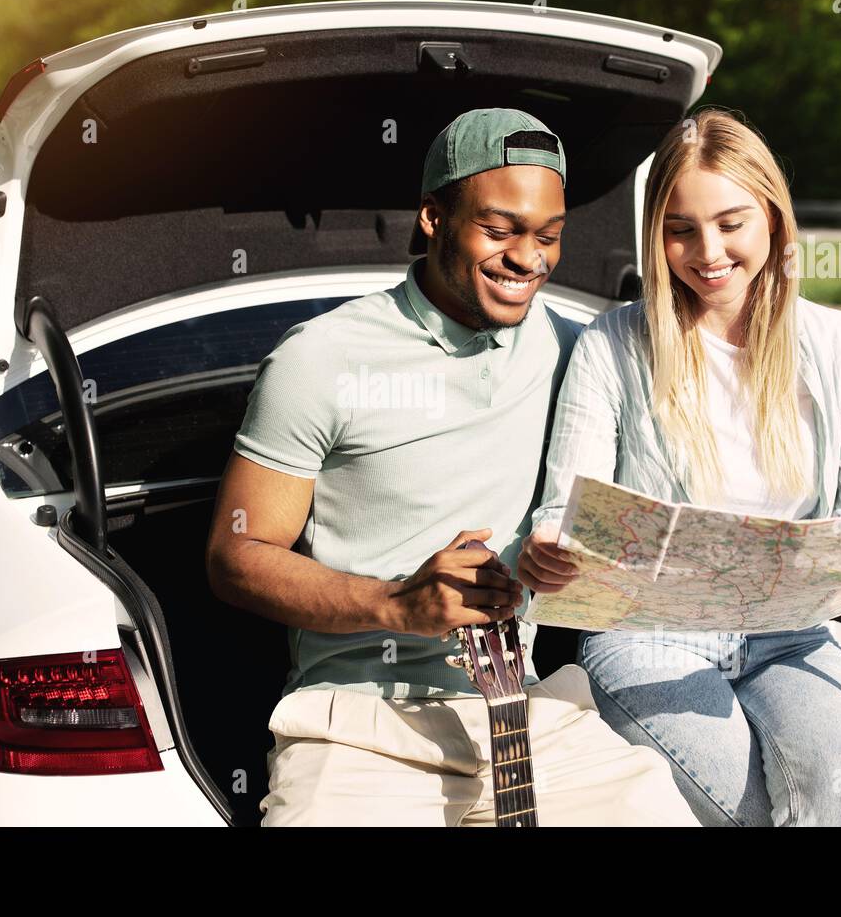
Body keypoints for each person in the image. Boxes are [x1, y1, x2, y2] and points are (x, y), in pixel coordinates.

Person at [206, 107, 698, 826]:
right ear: (434, 216)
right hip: (359, 728)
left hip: (531, 714)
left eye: (549, 236)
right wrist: (396, 604)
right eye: (499, 231)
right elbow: (234, 555)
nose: (529, 259)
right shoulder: (322, 357)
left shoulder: (578, 355)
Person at [517, 108, 841, 827]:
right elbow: (564, 509)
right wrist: (552, 548)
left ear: (775, 222)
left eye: (731, 223)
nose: (707, 251)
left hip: (794, 632)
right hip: (646, 632)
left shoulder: (840, 346)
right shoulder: (612, 345)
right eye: (680, 229)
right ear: (655, 235)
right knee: (748, 808)